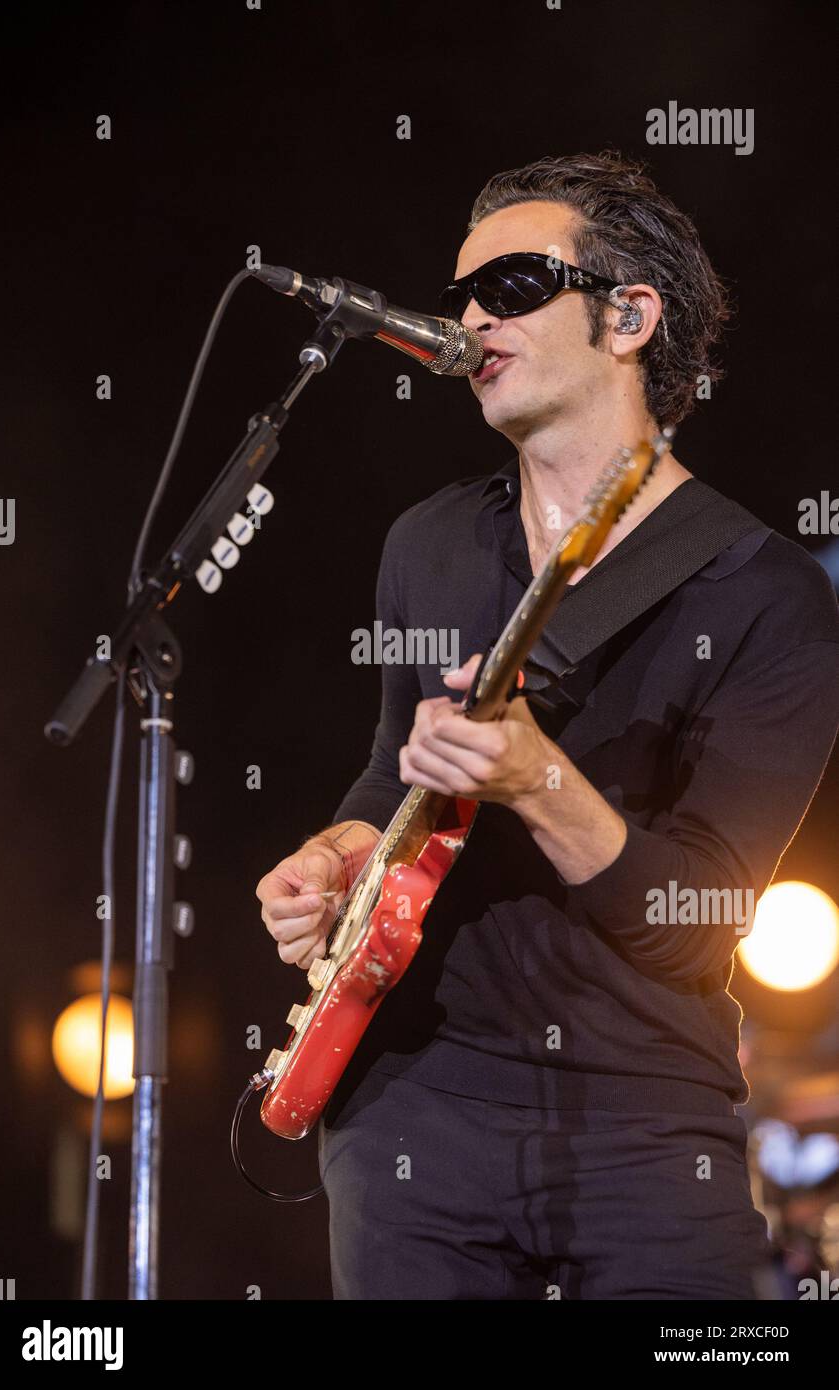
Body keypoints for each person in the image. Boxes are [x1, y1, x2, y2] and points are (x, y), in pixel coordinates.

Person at [256, 151, 839, 1300]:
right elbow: (393, 772)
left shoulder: (767, 593)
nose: (469, 316)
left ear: (630, 316)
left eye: (516, 284)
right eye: (464, 291)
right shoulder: (423, 544)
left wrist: (539, 780)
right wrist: (336, 855)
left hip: (644, 1127)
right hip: (409, 1109)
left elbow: (699, 919)